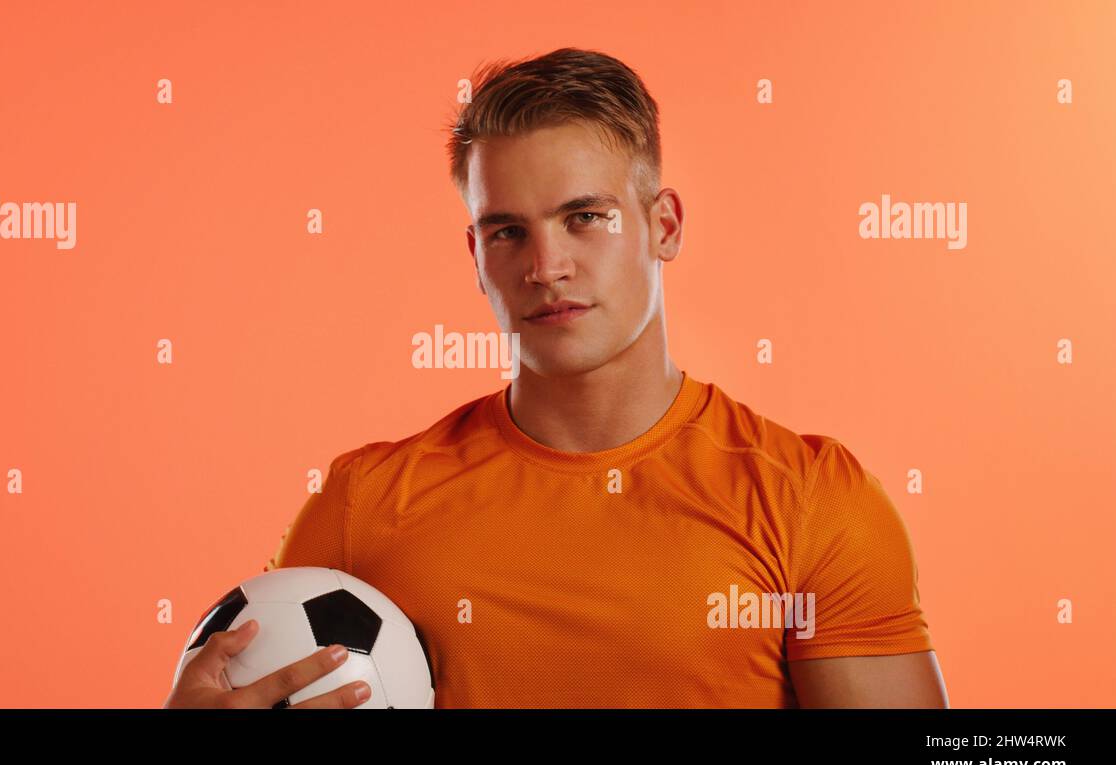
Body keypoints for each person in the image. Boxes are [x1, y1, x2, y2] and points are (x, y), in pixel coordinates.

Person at [166, 46, 948, 709]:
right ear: (477, 257)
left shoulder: (813, 500)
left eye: (586, 217)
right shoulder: (361, 504)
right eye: (508, 231)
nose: (547, 268)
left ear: (664, 226)